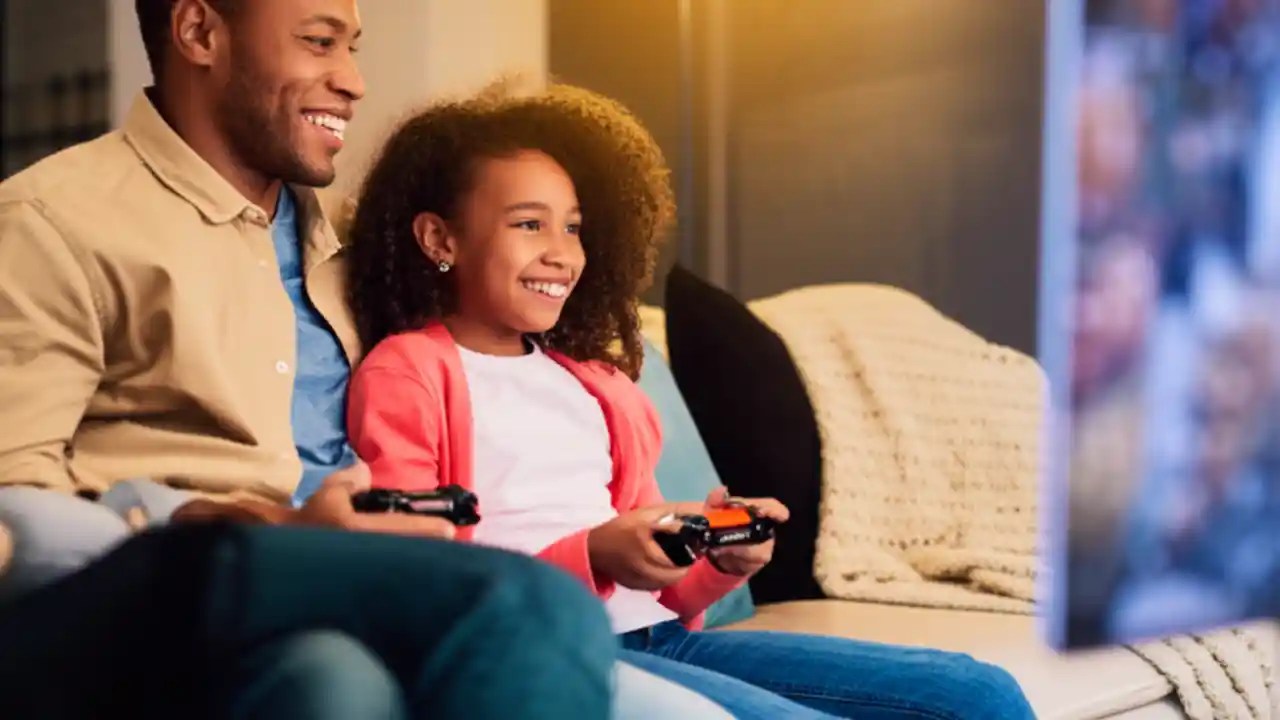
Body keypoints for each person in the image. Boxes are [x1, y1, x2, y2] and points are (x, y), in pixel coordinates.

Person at [0, 0, 732, 717]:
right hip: (194, 577)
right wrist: (270, 528)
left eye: (353, 47)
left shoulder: (354, 249)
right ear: (199, 31)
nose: (354, 80)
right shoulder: (53, 223)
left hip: (368, 575)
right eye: (320, 42)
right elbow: (17, 508)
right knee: (490, 615)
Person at [343, 83, 1041, 720]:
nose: (562, 253)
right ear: (440, 238)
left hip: (667, 640)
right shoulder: (410, 373)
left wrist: (715, 555)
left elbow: (670, 589)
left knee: (983, 694)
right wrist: (593, 555)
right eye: (530, 225)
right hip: (552, 652)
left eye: (575, 227)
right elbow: (422, 579)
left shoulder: (597, 383)